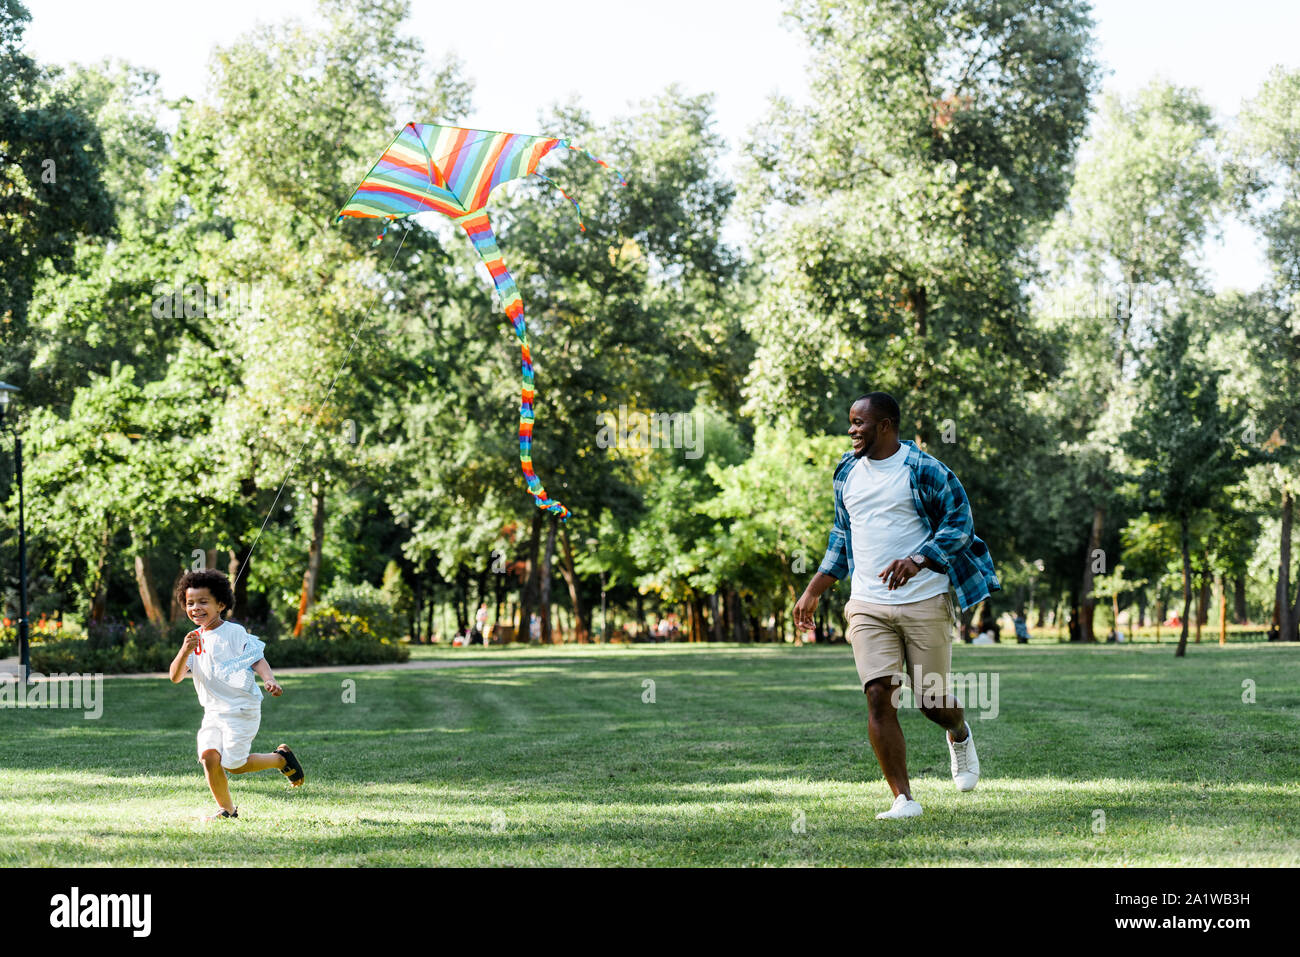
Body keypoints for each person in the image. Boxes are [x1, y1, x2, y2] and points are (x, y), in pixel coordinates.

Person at [794, 392, 999, 820]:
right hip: (868, 602)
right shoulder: (846, 472)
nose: (851, 430)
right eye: (850, 422)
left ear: (885, 425)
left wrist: (919, 559)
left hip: (925, 599)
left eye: (859, 422)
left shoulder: (923, 469)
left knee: (931, 702)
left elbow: (960, 523)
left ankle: (959, 734)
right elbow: (841, 534)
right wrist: (815, 587)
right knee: (878, 695)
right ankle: (903, 798)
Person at [168, 569, 304, 820]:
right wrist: (184, 651)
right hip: (213, 712)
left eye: (203, 602)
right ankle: (227, 810)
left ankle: (280, 759)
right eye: (190, 603)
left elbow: (257, 659)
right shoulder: (192, 639)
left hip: (241, 709)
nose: (195, 608)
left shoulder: (233, 633)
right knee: (209, 755)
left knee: (234, 765)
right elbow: (175, 677)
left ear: (220, 604)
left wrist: (269, 679)